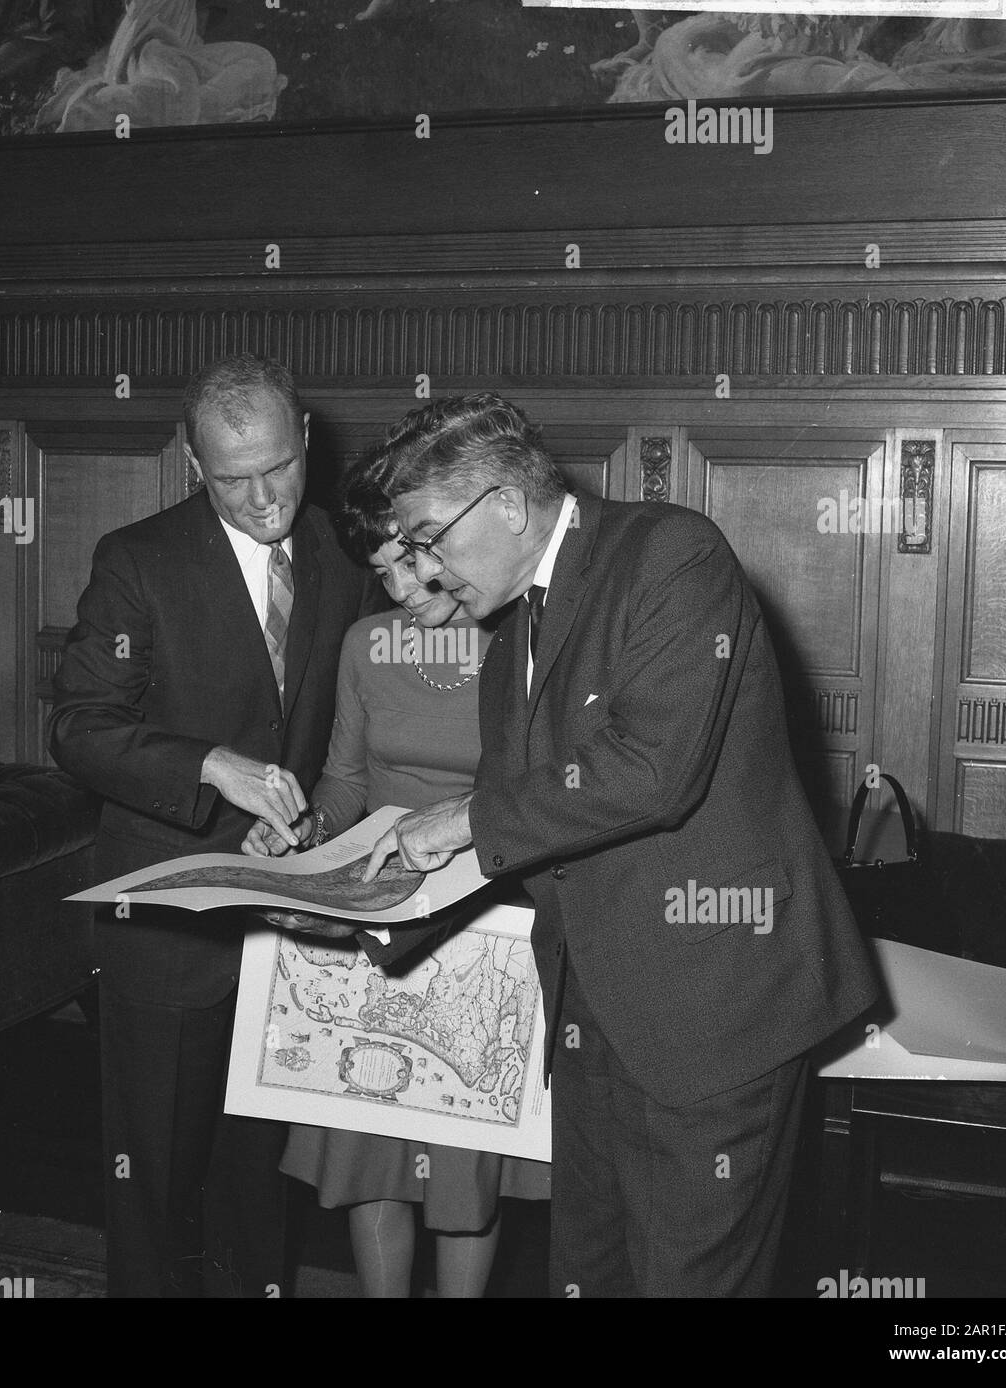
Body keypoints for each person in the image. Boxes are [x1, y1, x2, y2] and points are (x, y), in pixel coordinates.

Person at [363, 393, 880, 1297]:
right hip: (593, 1015)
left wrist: (460, 823)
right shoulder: (510, 631)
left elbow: (652, 769)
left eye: (426, 537)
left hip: (715, 1012)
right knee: (592, 1276)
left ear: (508, 506)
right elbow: (541, 826)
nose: (421, 567)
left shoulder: (672, 554)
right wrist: (359, 916)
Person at [48, 353, 381, 1297]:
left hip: (286, 918)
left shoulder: (342, 555)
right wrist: (207, 766)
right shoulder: (138, 561)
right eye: (233, 478)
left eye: (278, 466)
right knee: (153, 1178)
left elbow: (345, 725)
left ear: (306, 438)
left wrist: (315, 821)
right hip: (167, 925)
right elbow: (77, 728)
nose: (264, 495)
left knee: (256, 1174)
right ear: (195, 464)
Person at [243, 458, 551, 1298]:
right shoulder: (364, 645)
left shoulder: (520, 636)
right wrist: (305, 830)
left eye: (411, 559)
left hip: (490, 929)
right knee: (371, 1146)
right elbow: (345, 780)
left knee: (463, 1164)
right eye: (380, 571)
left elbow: (547, 800)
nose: (402, 587)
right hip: (377, 919)